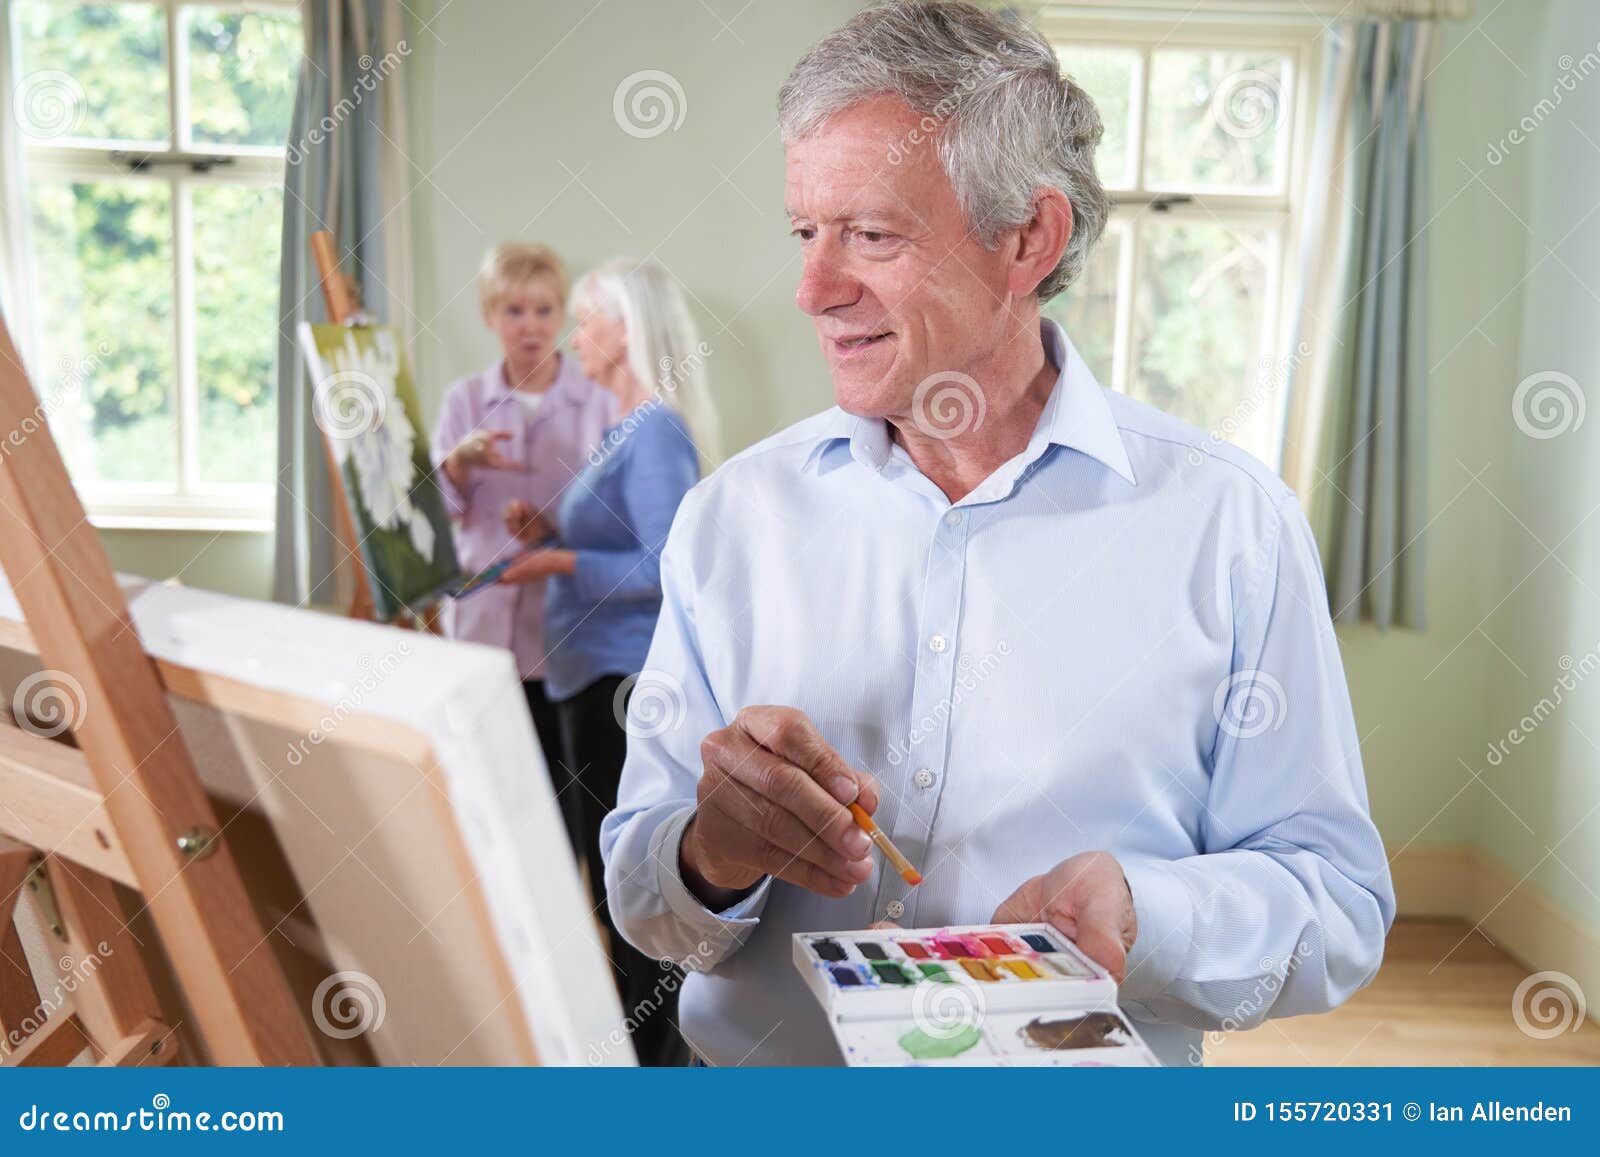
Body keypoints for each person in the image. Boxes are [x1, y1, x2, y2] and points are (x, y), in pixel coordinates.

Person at [600, 0, 1395, 1067]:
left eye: (871, 234)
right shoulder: (730, 521)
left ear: (1030, 237)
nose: (812, 288)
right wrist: (710, 853)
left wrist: (1143, 912)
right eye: (805, 230)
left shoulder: (1228, 525)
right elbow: (647, 898)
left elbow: (1333, 901)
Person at [499, 258, 718, 1066]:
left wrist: (558, 567)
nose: (573, 337)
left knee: (624, 886)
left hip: (618, 683)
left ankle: (649, 1058)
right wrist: (550, 533)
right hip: (583, 673)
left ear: (626, 328)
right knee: (601, 874)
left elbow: (666, 561)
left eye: (587, 320)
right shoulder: (625, 422)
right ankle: (632, 1048)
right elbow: (618, 541)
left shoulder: (655, 427)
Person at [432, 242, 615, 794]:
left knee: (559, 789)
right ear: (490, 316)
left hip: (565, 627)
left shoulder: (600, 400)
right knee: (488, 784)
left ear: (562, 316)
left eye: (543, 311)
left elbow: (612, 518)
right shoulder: (463, 400)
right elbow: (431, 516)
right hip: (481, 622)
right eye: (513, 311)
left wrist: (549, 525)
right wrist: (459, 464)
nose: (529, 326)